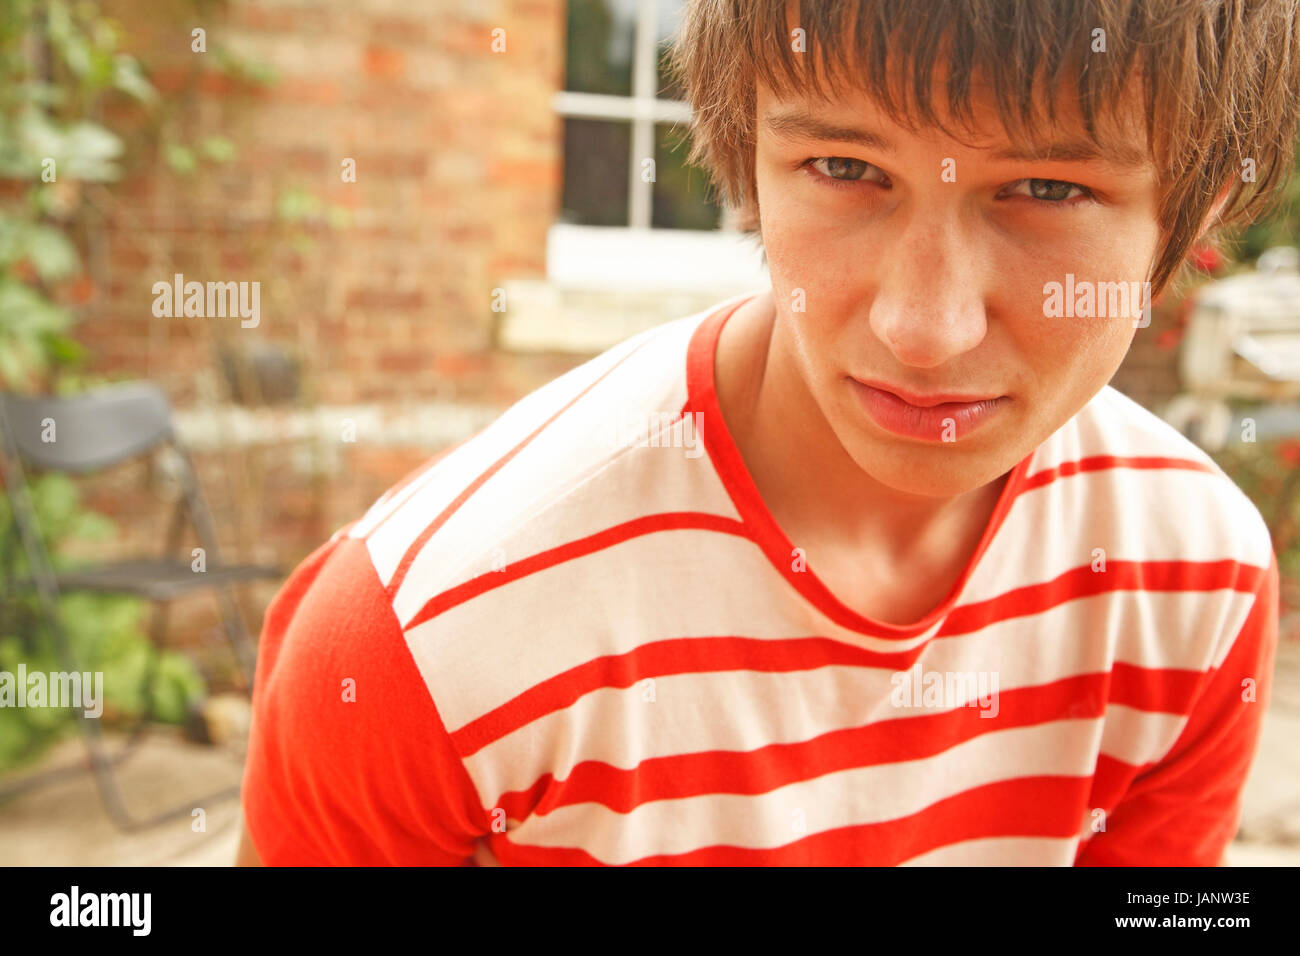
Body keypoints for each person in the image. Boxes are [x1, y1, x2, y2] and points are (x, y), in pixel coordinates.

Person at [237, 0, 1299, 865]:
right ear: (745, 157)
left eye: (1047, 189)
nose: (919, 326)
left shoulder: (1195, 576)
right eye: (845, 169)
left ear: (1194, 213)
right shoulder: (425, 635)